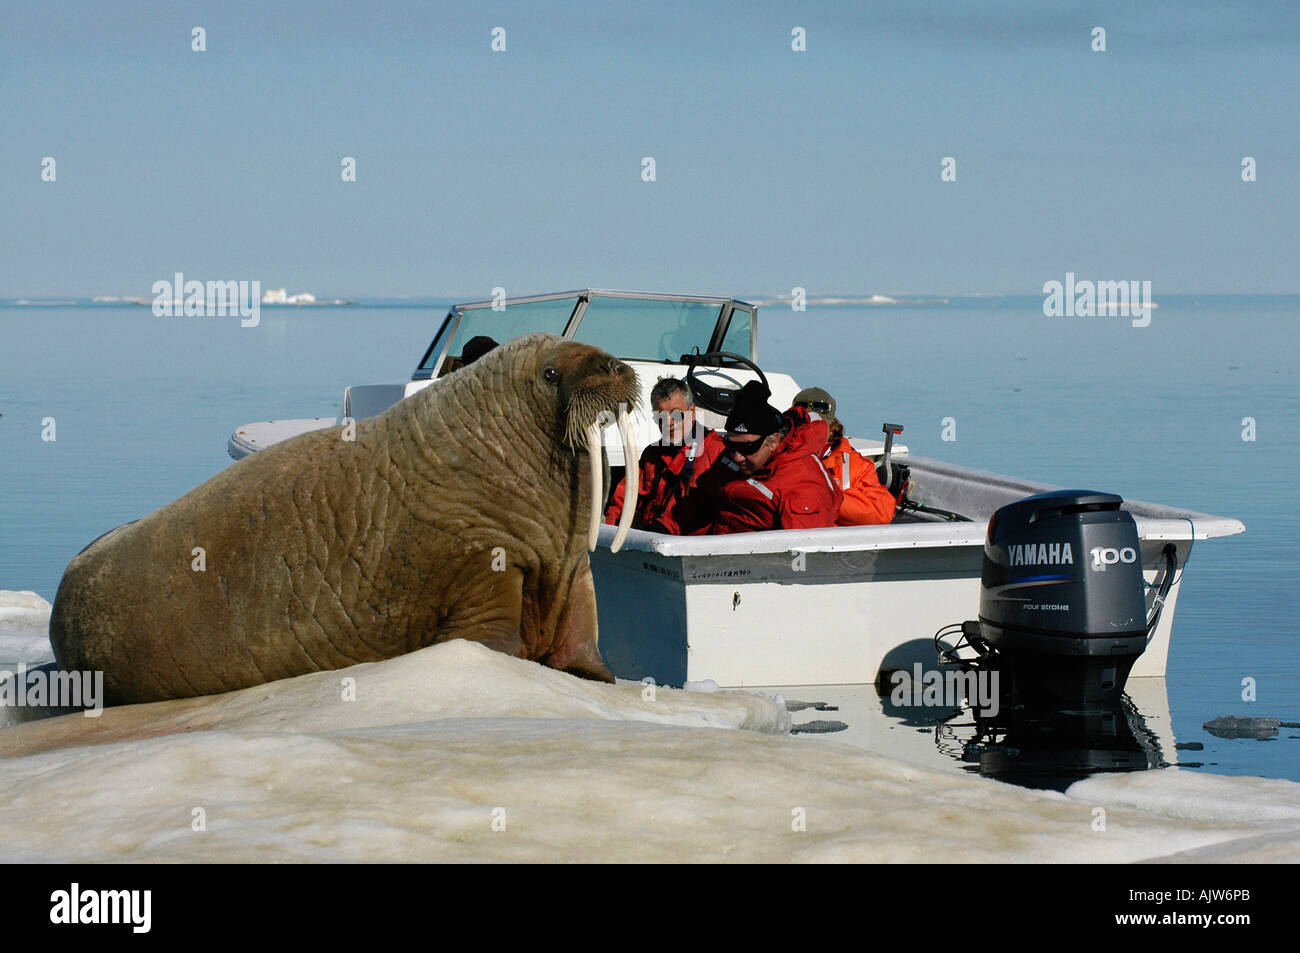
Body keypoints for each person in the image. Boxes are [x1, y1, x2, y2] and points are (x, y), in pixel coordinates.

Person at [671, 380, 842, 534]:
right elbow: (698, 503)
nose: (737, 457)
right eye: (731, 446)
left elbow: (803, 559)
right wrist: (664, 528)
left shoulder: (803, 484)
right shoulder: (730, 460)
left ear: (773, 441)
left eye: (747, 447)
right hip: (714, 556)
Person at [604, 378, 725, 534]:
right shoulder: (651, 455)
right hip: (650, 541)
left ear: (692, 412)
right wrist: (609, 531)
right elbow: (623, 498)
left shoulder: (717, 452)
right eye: (660, 417)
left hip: (689, 547)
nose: (669, 422)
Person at [792, 386, 897, 526]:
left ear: (831, 428)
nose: (812, 433)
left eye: (818, 427)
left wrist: (824, 498)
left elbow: (880, 512)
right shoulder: (774, 454)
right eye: (806, 427)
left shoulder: (858, 466)